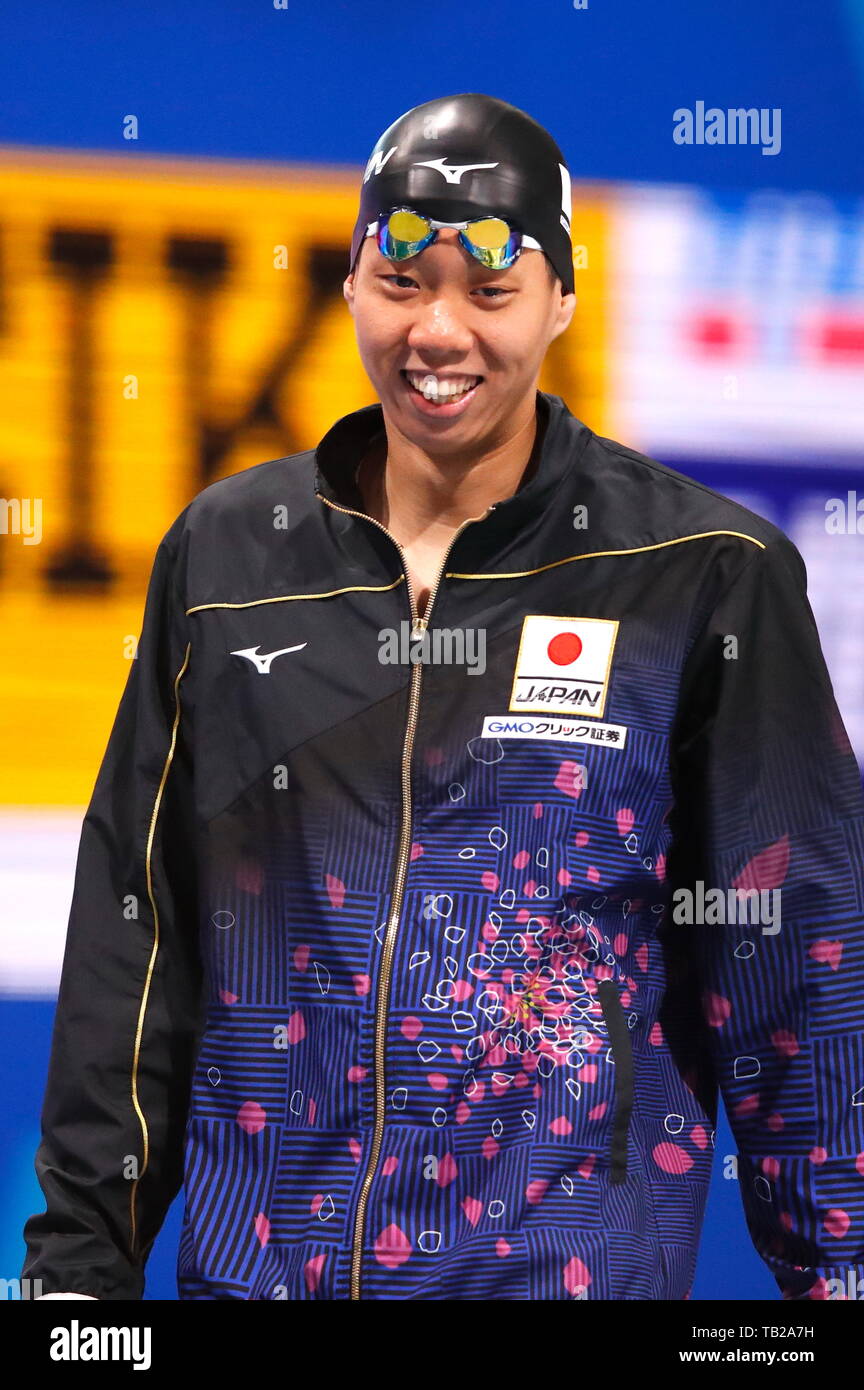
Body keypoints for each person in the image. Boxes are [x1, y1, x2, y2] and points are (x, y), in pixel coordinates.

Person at [24, 92, 864, 1302]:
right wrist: (73, 1280)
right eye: (402, 280)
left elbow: (801, 976)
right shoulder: (229, 558)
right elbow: (138, 938)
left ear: (563, 300)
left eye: (490, 289)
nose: (440, 332)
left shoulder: (700, 575)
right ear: (354, 284)